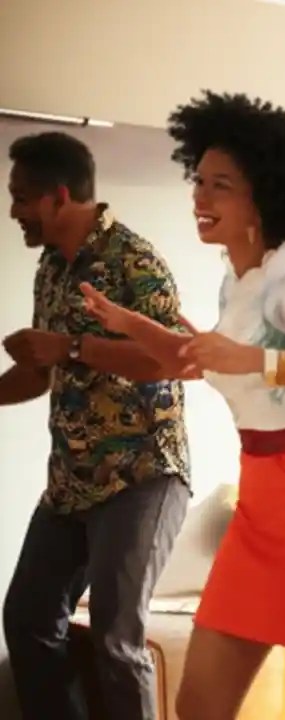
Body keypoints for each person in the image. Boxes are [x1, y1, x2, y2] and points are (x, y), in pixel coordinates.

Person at [78, 91, 285, 719]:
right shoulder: (239, 282)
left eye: (221, 186)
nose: (201, 198)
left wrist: (258, 360)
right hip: (263, 507)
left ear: (263, 195)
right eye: (200, 181)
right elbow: (194, 359)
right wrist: (128, 323)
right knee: (200, 705)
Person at [2, 131, 191, 720]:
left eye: (22, 197)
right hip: (72, 481)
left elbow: (174, 359)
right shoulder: (50, 269)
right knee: (28, 616)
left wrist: (70, 346)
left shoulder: (133, 260)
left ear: (59, 197)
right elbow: (39, 374)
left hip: (142, 475)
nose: (13, 211)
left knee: (116, 636)